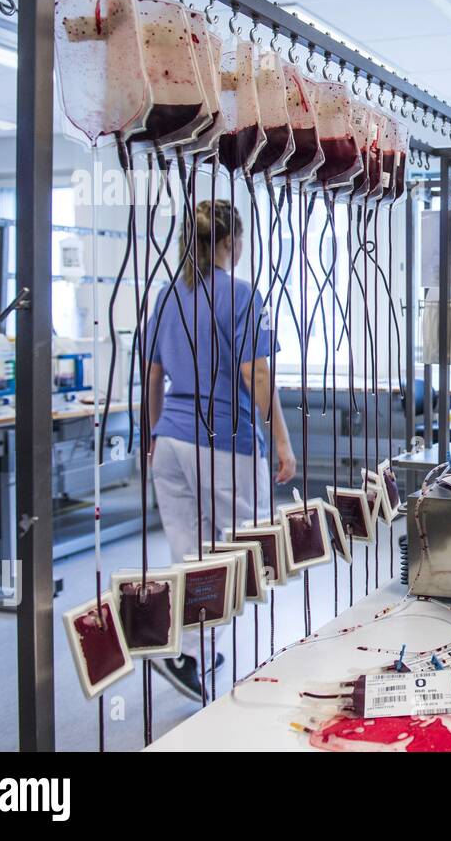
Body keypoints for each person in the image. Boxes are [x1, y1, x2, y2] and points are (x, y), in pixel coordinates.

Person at [145, 199, 296, 699]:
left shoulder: (166, 295)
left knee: (190, 554)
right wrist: (281, 440)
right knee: (247, 551)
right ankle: (193, 651)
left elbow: (152, 377)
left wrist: (153, 438)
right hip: (223, 442)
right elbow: (256, 374)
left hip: (170, 441)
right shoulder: (241, 296)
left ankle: (192, 650)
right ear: (231, 243)